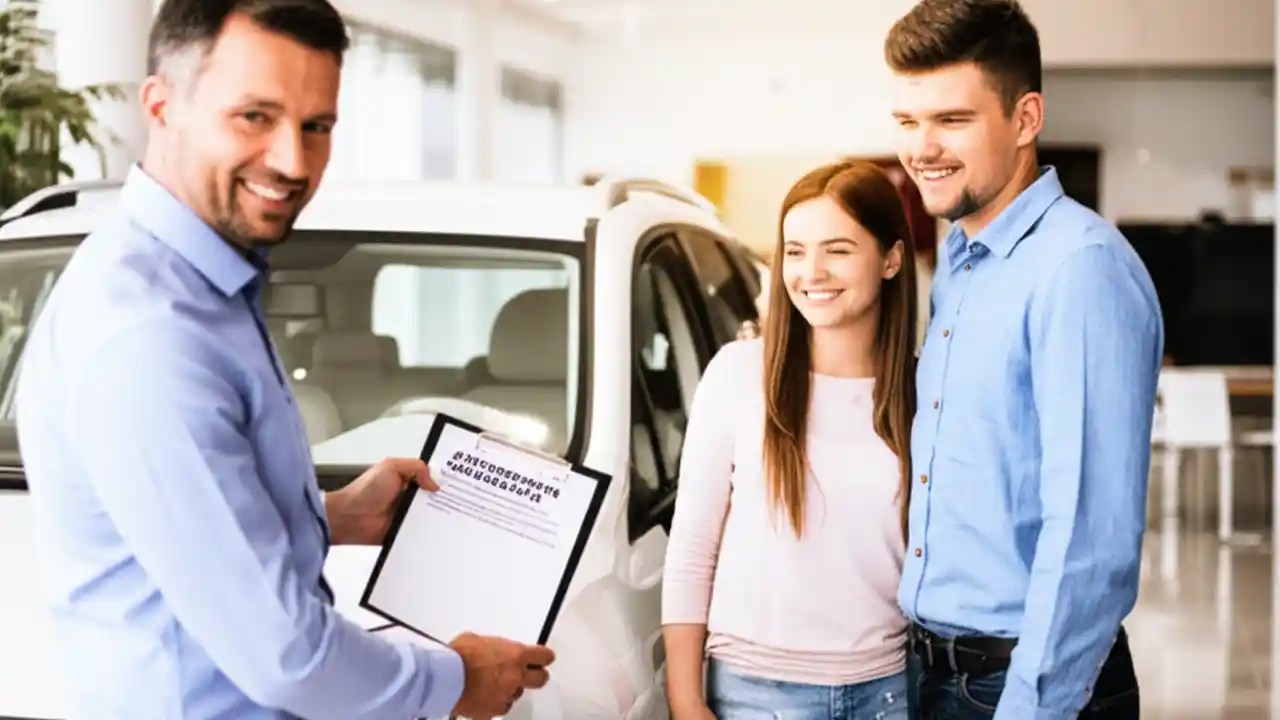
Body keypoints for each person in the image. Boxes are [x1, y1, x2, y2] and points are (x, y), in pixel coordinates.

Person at [14, 1, 552, 718]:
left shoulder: (201, 283)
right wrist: (458, 677)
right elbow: (289, 660)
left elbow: (189, 526)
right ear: (161, 105)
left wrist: (327, 513)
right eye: (254, 117)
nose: (294, 162)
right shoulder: (151, 335)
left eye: (316, 126)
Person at [883, 1, 1163, 717]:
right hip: (937, 674)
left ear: (1025, 118)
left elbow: (1090, 543)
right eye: (908, 122)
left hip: (1021, 687)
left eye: (952, 120)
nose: (922, 148)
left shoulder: (1078, 267)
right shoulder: (960, 259)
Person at [661, 161, 919, 720]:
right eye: (795, 251)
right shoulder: (737, 374)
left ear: (892, 258)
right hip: (755, 694)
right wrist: (685, 701)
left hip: (887, 693)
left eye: (839, 249)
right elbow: (690, 552)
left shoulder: (923, 393)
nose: (812, 271)